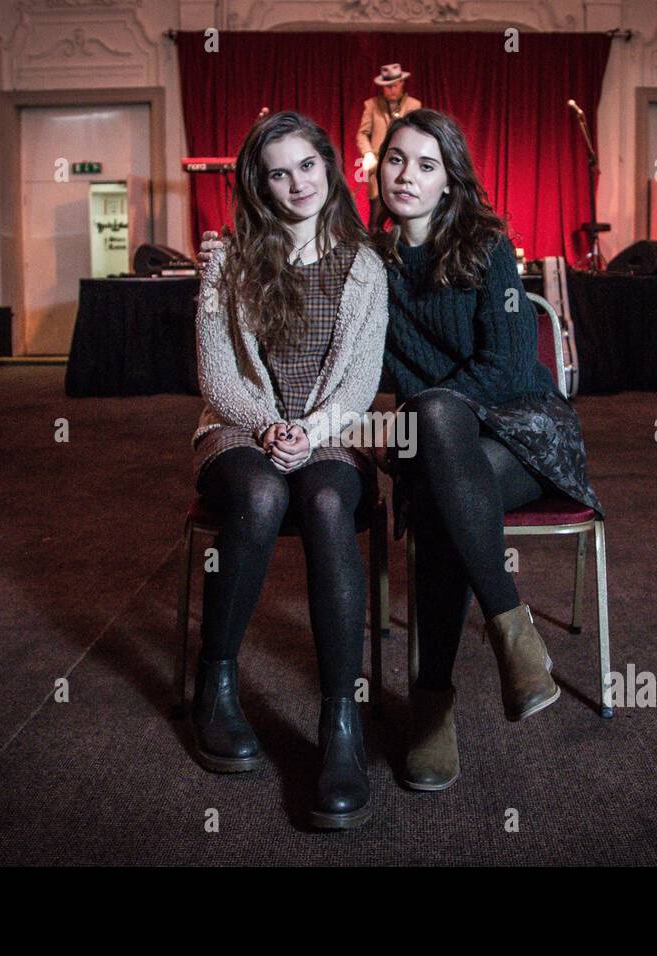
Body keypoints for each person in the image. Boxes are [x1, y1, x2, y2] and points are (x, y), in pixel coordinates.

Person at [198, 109, 602, 796]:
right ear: (373, 170)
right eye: (395, 160)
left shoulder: (486, 246)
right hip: (435, 444)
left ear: (449, 180)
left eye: (425, 164)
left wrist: (423, 413)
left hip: (519, 434)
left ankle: (434, 701)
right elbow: (337, 359)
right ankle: (497, 650)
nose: (406, 176)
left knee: (441, 456)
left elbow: (505, 368)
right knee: (440, 471)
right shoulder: (370, 261)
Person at [189, 111, 389, 829]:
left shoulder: (365, 263)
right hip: (240, 428)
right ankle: (215, 680)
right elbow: (216, 374)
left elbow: (361, 380)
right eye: (279, 171)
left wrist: (311, 431)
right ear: (260, 182)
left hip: (330, 432)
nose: (297, 183)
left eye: (307, 165)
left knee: (333, 502)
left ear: (329, 167)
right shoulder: (227, 260)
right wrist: (270, 426)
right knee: (263, 492)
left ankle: (341, 722)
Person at [356, 63, 422, 232]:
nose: (392, 89)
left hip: (405, 166)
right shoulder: (371, 105)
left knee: (403, 216)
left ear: (402, 83)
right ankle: (373, 256)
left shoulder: (414, 106)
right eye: (388, 86)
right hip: (378, 166)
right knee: (375, 219)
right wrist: (368, 153)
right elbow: (362, 133)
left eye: (395, 85)